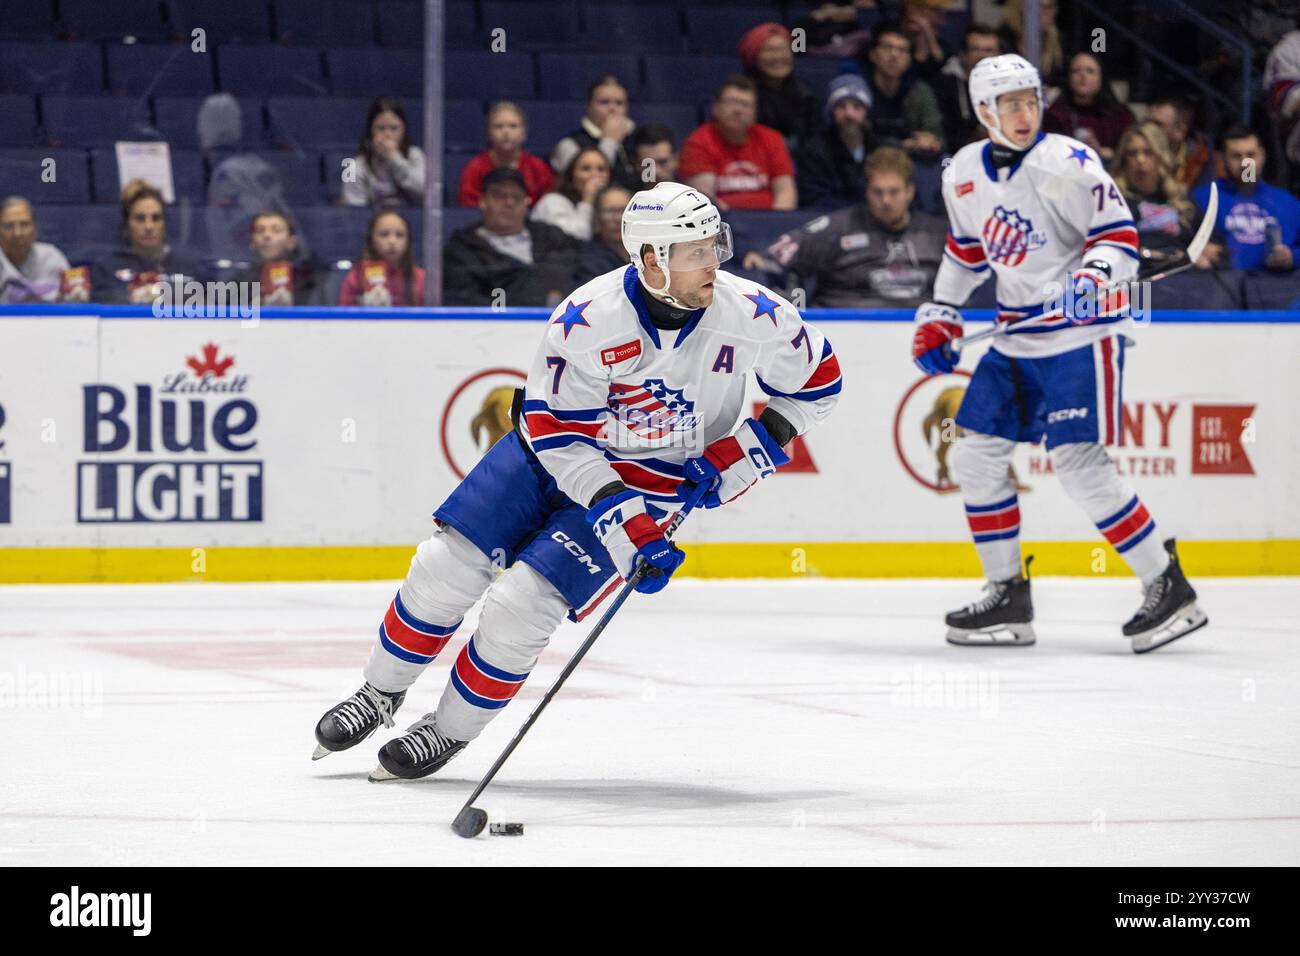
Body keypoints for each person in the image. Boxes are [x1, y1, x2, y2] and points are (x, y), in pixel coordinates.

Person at [311, 180, 841, 781]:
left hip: (658, 478)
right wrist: (620, 516)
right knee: (445, 566)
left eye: (713, 245)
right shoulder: (588, 318)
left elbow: (819, 382)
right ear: (651, 259)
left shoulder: (756, 314)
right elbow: (559, 433)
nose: (714, 262)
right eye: (695, 251)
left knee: (521, 607)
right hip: (552, 453)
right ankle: (378, 694)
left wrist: (745, 451)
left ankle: (447, 730)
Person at [911, 54, 1206, 653]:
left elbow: (1119, 237)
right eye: (1009, 103)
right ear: (983, 110)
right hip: (1016, 339)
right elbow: (967, 252)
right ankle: (1007, 594)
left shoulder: (1067, 162)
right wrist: (940, 313)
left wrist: (1094, 278)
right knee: (973, 459)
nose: (1024, 113)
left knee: (1078, 464)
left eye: (1030, 99)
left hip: (1081, 339)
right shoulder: (962, 171)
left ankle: (1168, 585)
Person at [757, 146, 944, 307]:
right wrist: (798, 311)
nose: (886, 201)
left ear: (909, 191)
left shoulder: (938, 234)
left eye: (893, 192)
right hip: (842, 333)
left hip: (919, 334)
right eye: (878, 192)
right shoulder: (836, 228)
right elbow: (770, 260)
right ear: (866, 192)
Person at [443, 168, 580, 307]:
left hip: (565, 322)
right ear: (483, 201)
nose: (509, 203)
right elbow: (465, 299)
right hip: (498, 325)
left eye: (517, 197)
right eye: (500, 196)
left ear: (526, 203)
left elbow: (582, 268)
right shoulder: (462, 250)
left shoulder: (551, 237)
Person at [1191, 125, 1300, 273]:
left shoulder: (1287, 202)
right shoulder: (1204, 198)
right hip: (1221, 287)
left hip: (1277, 288)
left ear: (1262, 155)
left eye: (1251, 155)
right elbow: (1183, 244)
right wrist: (1198, 249)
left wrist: (1292, 257)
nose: (1245, 164)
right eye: (1236, 156)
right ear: (1223, 159)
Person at [679, 76, 797, 210]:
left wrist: (775, 223)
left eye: (745, 104)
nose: (738, 110)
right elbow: (704, 200)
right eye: (731, 102)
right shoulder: (698, 142)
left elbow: (785, 191)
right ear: (715, 107)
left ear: (754, 112)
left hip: (770, 222)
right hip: (722, 224)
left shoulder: (772, 139)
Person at [91, 179, 200, 304]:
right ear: (127, 224)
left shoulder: (190, 265)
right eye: (140, 218)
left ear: (165, 223)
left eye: (156, 218)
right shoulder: (106, 269)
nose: (149, 226)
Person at [1109, 122, 1197, 262]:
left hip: (1182, 276)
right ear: (1123, 159)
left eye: (1148, 152)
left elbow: (1204, 242)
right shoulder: (1113, 200)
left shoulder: (1180, 198)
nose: (1140, 159)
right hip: (1138, 276)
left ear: (1161, 156)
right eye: (1132, 153)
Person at [858, 24, 945, 156]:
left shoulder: (919, 91)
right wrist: (902, 145)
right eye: (887, 48)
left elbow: (939, 139)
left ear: (910, 59)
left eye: (902, 50)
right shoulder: (860, 89)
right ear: (873, 55)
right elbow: (852, 140)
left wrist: (930, 141)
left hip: (912, 163)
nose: (894, 55)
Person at [794, 74, 878, 209]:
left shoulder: (882, 149)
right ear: (832, 112)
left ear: (866, 112)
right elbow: (814, 201)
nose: (849, 114)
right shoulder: (814, 151)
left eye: (856, 107)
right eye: (841, 107)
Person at [1041, 52, 1135, 165]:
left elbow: (1132, 152)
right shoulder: (1055, 115)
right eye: (1075, 71)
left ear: (1101, 77)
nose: (1083, 76)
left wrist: (1103, 152)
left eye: (1090, 71)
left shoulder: (1121, 115)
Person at [457, 101, 555, 207]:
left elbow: (548, 205)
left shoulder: (538, 167)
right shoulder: (475, 168)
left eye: (513, 126)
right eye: (498, 126)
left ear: (524, 133)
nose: (506, 132)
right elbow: (468, 206)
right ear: (488, 134)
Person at [738, 22, 819, 150]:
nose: (778, 57)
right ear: (754, 58)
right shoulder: (742, 97)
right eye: (770, 50)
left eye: (783, 49)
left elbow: (816, 143)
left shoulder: (806, 96)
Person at [549, 76, 638, 189]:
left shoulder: (636, 140)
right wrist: (610, 141)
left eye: (619, 103)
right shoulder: (569, 144)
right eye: (604, 102)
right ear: (588, 106)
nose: (612, 108)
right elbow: (585, 186)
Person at [341, 98, 427, 208]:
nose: (387, 134)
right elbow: (352, 210)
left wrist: (394, 158)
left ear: (404, 130)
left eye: (394, 128)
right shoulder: (352, 165)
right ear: (370, 131)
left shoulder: (417, 155)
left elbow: (426, 193)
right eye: (381, 128)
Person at [935, 23, 1002, 152]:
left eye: (989, 50)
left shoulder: (1009, 86)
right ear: (962, 55)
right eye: (976, 49)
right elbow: (944, 136)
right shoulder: (945, 85)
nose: (983, 56)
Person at [233, 210, 321, 306]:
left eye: (276, 230)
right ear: (252, 242)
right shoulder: (240, 282)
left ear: (291, 241)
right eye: (260, 231)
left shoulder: (310, 280)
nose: (267, 235)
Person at [338, 211, 425, 306]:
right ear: (371, 240)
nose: (392, 241)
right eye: (384, 234)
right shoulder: (356, 278)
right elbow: (343, 316)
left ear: (408, 241)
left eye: (399, 235)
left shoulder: (421, 278)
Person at [0, 196, 72, 303]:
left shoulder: (51, 257)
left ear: (35, 229)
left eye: (24, 225)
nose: (17, 233)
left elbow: (73, 300)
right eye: (9, 226)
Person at [530, 148, 610, 241]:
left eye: (601, 169)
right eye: (586, 169)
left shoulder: (609, 205)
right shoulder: (552, 202)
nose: (594, 175)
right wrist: (587, 199)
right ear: (572, 175)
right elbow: (576, 238)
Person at [1147, 97, 1216, 191]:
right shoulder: (1137, 153)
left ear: (1179, 131)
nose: (1148, 129)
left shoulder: (1201, 158)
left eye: (1158, 124)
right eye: (1147, 122)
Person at [574, 184, 632, 284]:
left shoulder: (648, 254)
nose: (618, 219)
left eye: (624, 210)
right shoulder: (587, 262)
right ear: (597, 216)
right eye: (610, 211)